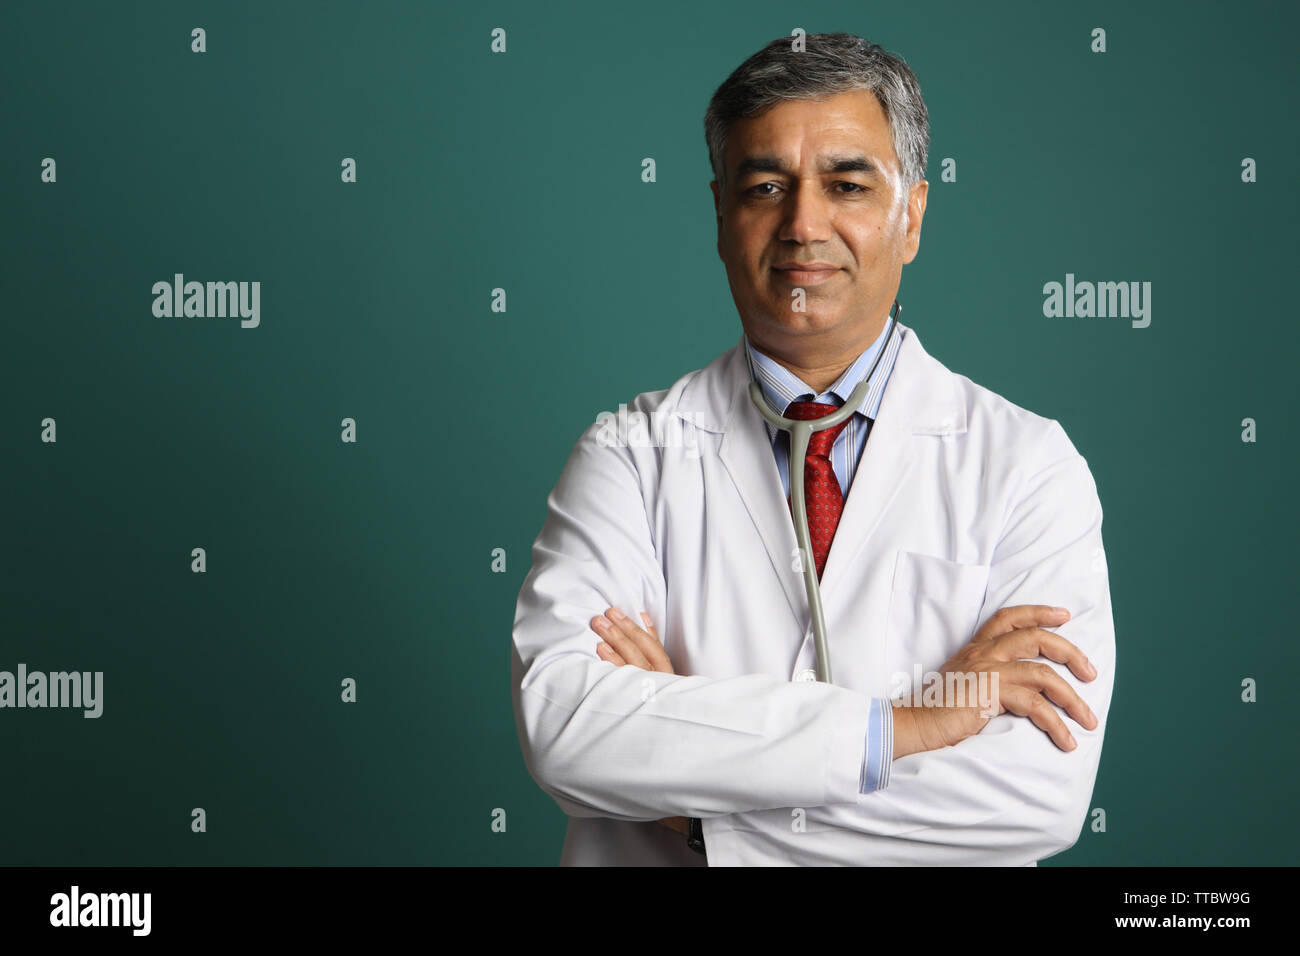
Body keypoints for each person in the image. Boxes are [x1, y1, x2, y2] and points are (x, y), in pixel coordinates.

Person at [509, 33, 1114, 866]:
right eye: (767, 187)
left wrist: (697, 811)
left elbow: (1034, 798)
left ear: (912, 217)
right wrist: (900, 729)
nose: (803, 224)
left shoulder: (1028, 468)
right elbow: (568, 729)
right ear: (722, 216)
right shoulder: (629, 453)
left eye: (847, 184)